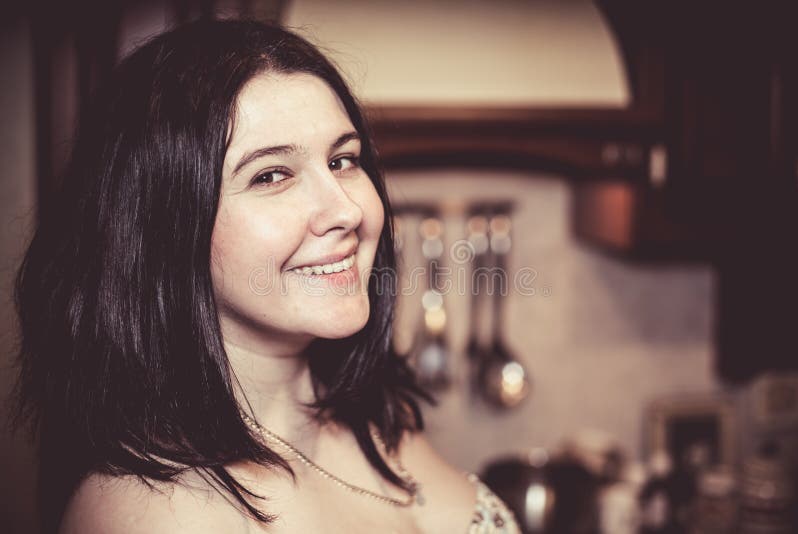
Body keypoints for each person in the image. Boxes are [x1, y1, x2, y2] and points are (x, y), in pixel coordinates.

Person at [13, 19, 521, 533]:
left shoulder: (376, 418)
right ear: (164, 227)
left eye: (343, 160)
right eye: (271, 175)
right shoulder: (158, 513)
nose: (345, 209)